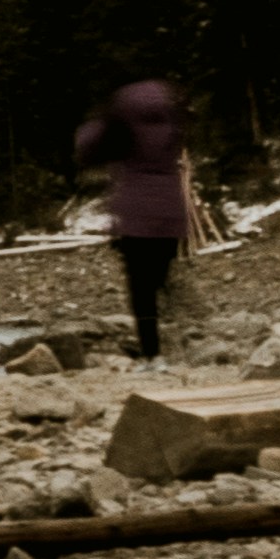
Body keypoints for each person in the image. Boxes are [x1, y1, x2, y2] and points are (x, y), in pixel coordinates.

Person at [75, 65, 196, 356]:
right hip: (171, 209)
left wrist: (94, 124)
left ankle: (152, 354)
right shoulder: (169, 109)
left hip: (135, 211)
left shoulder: (120, 111)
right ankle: (181, 341)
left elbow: (88, 149)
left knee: (140, 288)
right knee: (160, 278)